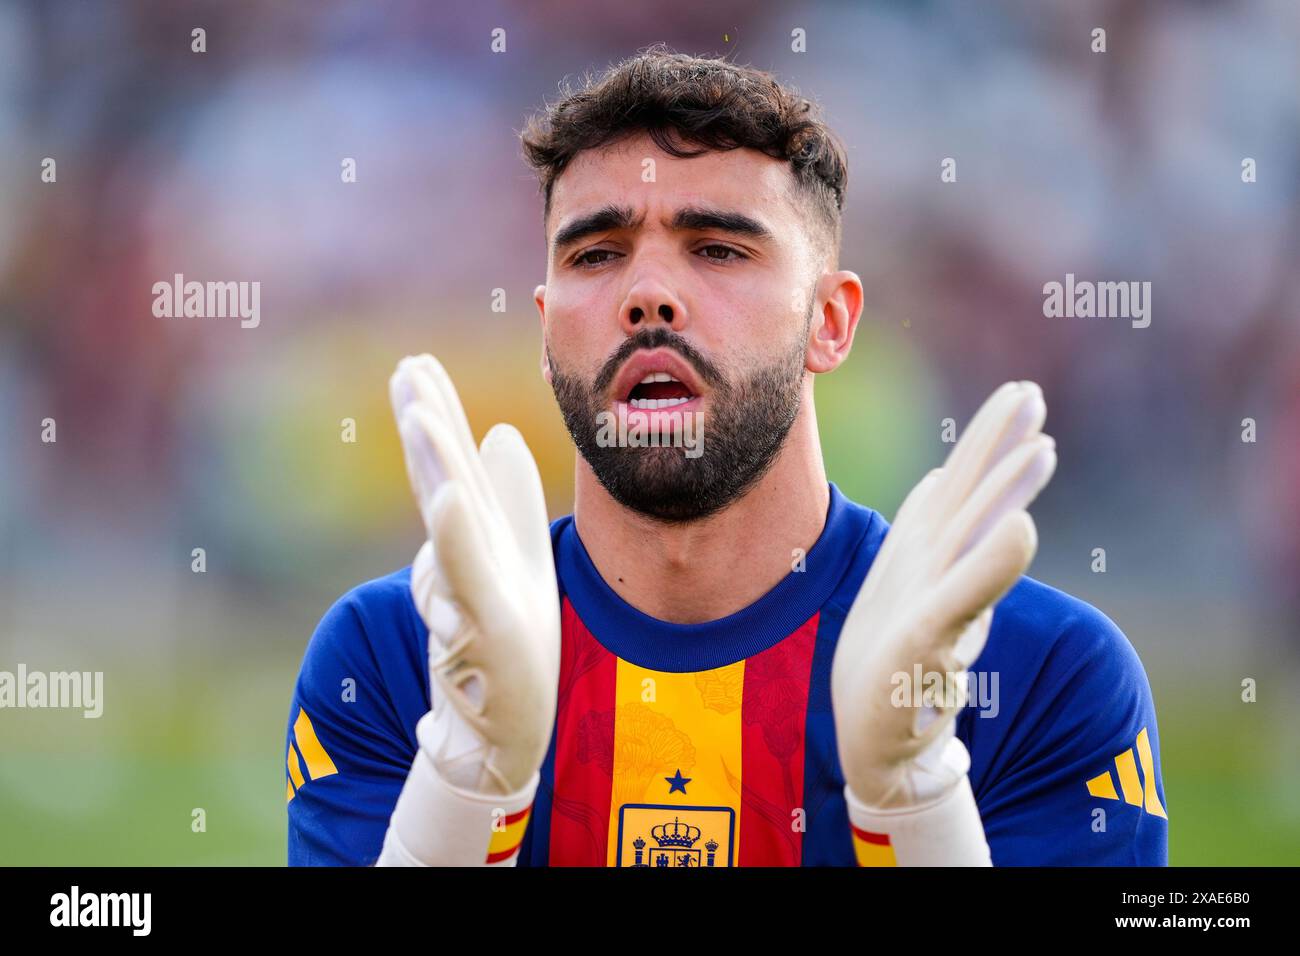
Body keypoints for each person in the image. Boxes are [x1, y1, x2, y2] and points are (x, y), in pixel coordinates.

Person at [285, 46, 1167, 867]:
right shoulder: (401, 658)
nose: (649, 297)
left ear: (831, 322)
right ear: (546, 328)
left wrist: (916, 809)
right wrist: (466, 787)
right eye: (597, 253)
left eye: (717, 248)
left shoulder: (1041, 672)